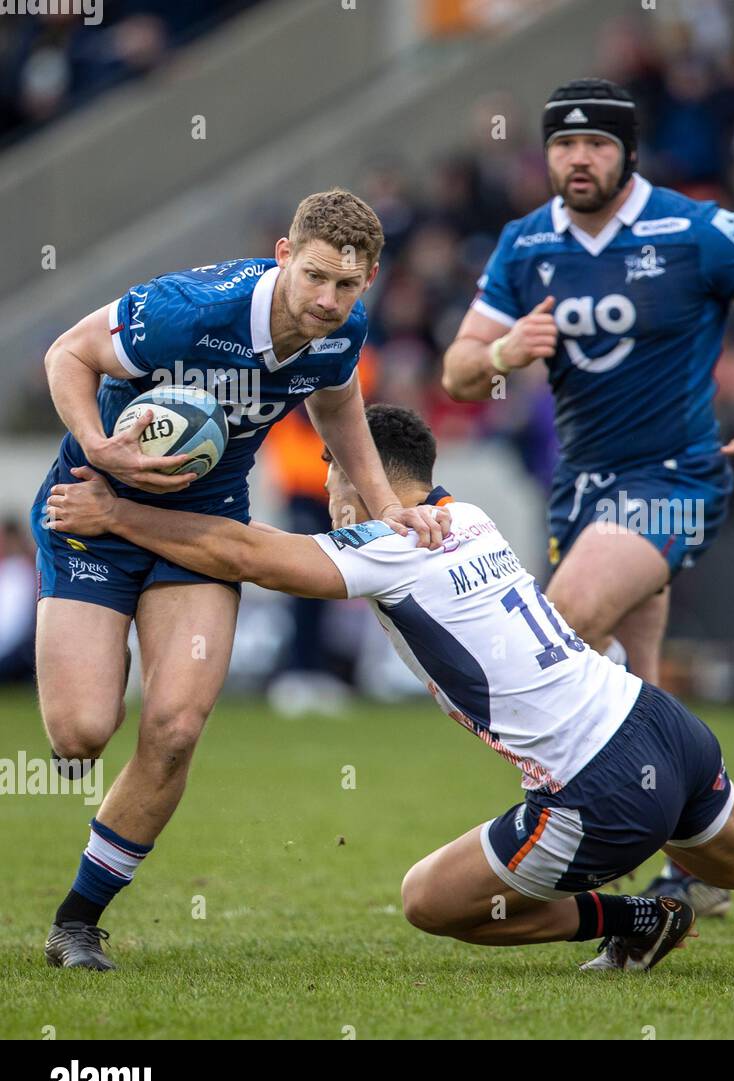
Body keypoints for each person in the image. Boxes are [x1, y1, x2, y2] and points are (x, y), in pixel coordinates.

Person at [45, 404, 734, 973]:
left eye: (341, 472)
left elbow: (239, 551)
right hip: (659, 724)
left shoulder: (390, 541)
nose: (333, 491)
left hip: (593, 788)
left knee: (429, 901)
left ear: (360, 481)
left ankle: (634, 918)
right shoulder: (459, 513)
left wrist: (115, 510)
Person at [441, 78, 734, 916]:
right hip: (578, 492)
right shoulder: (525, 244)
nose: (577, 159)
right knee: (638, 686)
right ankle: (698, 864)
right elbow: (457, 371)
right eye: (561, 144)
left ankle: (571, 832)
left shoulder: (693, 229)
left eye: (595, 144)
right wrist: (507, 350)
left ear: (628, 152)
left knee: (560, 627)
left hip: (672, 480)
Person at [32, 188, 443, 971]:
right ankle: (92, 657)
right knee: (81, 732)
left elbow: (338, 402)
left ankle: (78, 922)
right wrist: (98, 443)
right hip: (95, 505)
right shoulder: (188, 310)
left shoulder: (342, 329)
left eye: (348, 286)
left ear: (371, 279)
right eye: (315, 277)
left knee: (176, 726)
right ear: (283, 256)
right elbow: (66, 354)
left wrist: (386, 504)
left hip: (202, 529)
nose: (328, 301)